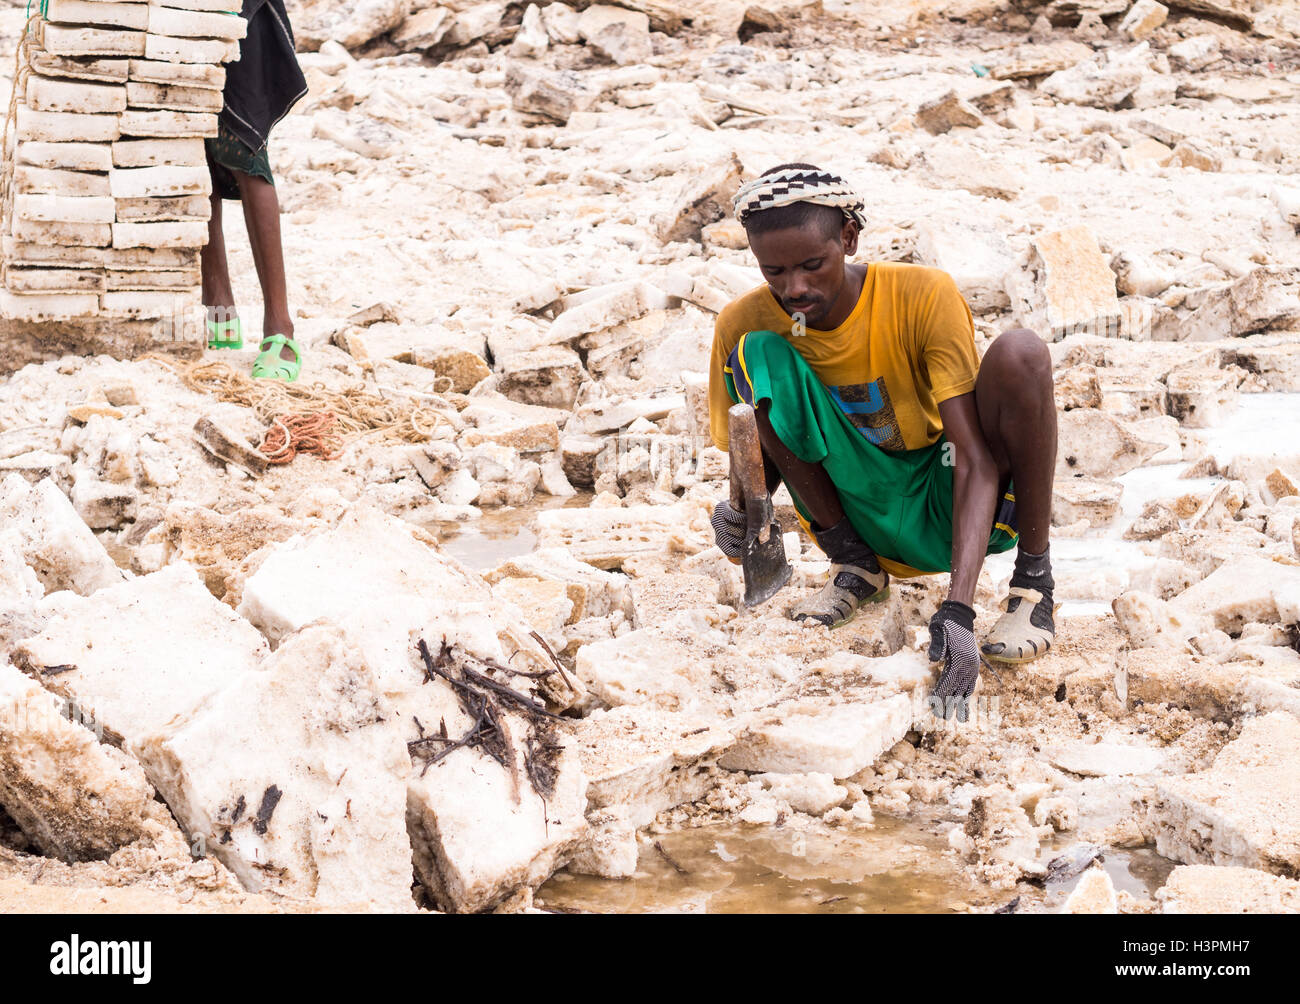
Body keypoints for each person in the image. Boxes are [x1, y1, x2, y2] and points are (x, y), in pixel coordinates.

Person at [707, 163, 1058, 719]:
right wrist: (744, 509)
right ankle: (857, 568)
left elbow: (973, 458)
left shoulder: (920, 296)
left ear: (848, 238)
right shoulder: (746, 321)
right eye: (774, 270)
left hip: (951, 501)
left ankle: (1034, 586)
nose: (794, 288)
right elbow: (755, 446)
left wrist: (959, 609)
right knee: (757, 350)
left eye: (812, 266)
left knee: (1021, 353)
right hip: (854, 508)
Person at [199, 0, 308, 382]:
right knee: (193, 149)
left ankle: (279, 327)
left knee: (244, 149)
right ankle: (219, 311)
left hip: (238, 13)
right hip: (178, 16)